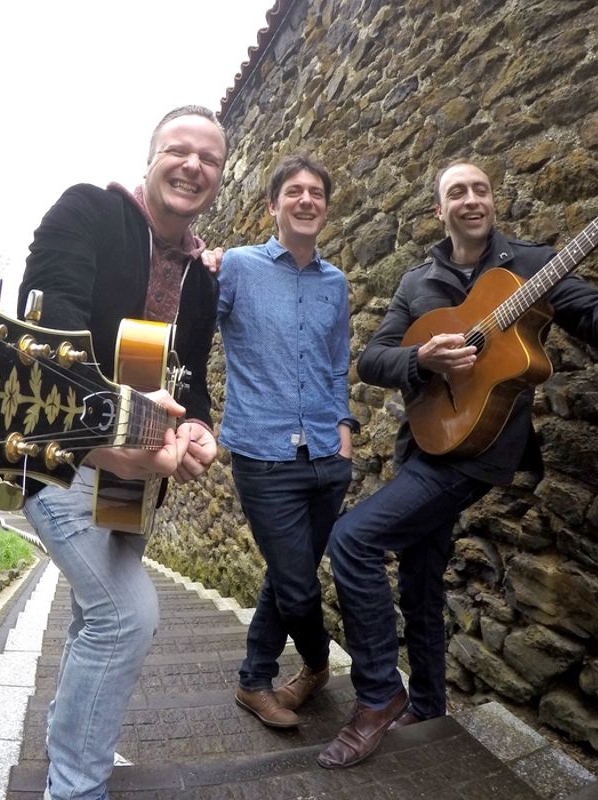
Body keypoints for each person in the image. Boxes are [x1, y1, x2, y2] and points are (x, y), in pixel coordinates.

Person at [319, 161, 598, 769]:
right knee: (420, 578)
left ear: (493, 200)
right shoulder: (417, 281)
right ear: (439, 210)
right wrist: (422, 359)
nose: (472, 199)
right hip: (425, 441)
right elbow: (371, 360)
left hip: (478, 451)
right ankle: (429, 706)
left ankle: (378, 696)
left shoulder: (533, 265)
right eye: (457, 192)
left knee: (352, 539)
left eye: (481, 189)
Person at [16, 105, 225, 800]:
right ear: (151, 157)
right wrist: (111, 442)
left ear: (220, 177)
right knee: (125, 615)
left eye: (210, 158)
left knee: (93, 617)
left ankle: (70, 742)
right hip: (62, 464)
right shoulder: (86, 213)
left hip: (137, 487)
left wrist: (197, 431)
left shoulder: (204, 278)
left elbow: (191, 383)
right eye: (179, 149)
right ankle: (76, 788)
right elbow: (49, 344)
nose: (193, 165)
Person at [215, 154, 356, 729]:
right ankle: (319, 663)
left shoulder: (335, 283)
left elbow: (337, 362)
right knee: (298, 586)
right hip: (263, 455)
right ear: (273, 205)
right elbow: (189, 325)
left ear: (325, 208)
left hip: (326, 454)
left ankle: (254, 679)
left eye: (316, 192)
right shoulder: (238, 267)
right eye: (294, 191)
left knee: (284, 572)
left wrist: (344, 430)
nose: (306, 200)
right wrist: (197, 268)